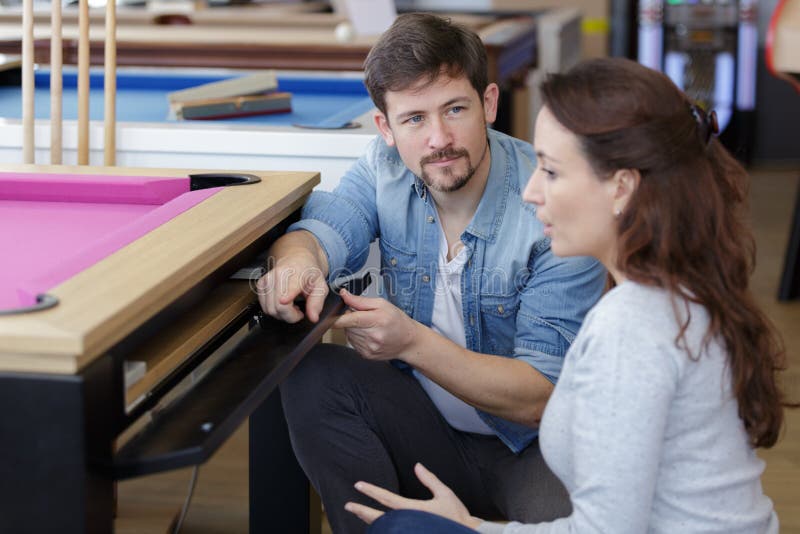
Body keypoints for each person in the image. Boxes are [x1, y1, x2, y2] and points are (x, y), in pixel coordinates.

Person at [344, 57, 794, 534]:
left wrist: (472, 530)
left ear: (622, 187)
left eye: (552, 172)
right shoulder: (675, 292)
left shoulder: (631, 327)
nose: (532, 191)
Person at [255, 13, 606, 534]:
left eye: (455, 109)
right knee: (313, 375)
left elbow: (539, 397)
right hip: (425, 431)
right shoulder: (385, 168)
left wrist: (410, 342)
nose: (439, 138)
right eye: (414, 119)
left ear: (489, 103)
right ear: (387, 129)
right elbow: (323, 229)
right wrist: (298, 264)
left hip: (533, 451)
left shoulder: (550, 204)